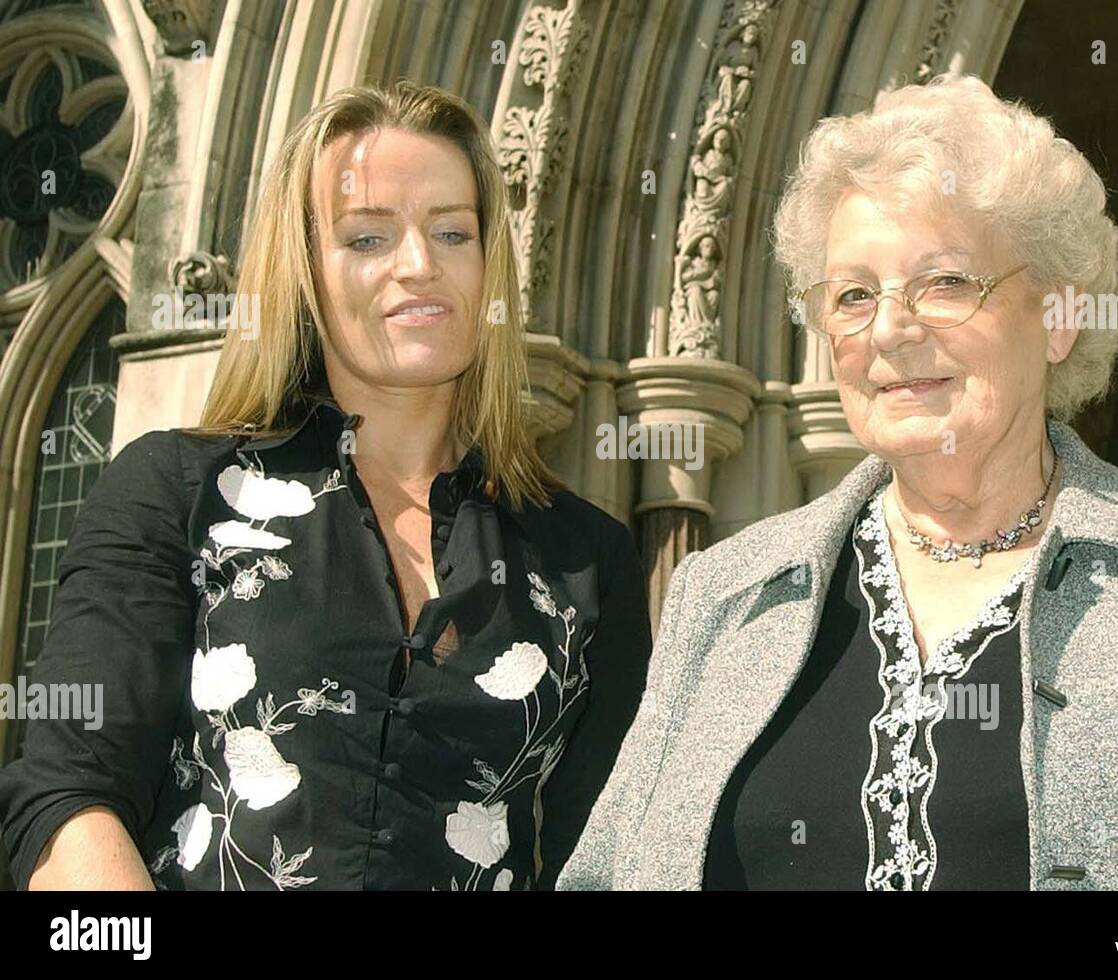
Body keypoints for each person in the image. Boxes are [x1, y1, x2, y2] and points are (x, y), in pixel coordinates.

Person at [556, 72, 1118, 891]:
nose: (890, 330)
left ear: (1057, 319)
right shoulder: (724, 598)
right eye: (853, 295)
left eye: (944, 282)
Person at [0, 81, 652, 891]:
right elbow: (66, 807)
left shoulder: (586, 558)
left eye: (452, 231)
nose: (419, 266)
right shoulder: (175, 491)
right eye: (369, 238)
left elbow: (619, 859)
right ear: (304, 268)